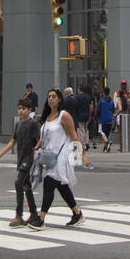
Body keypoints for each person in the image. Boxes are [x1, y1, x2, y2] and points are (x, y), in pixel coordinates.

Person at [28, 88, 90, 229]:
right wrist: (37, 148)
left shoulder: (64, 115)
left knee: (50, 182)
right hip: (50, 156)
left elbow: (74, 136)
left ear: (60, 99)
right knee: (61, 186)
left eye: (54, 96)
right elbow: (44, 138)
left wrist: (82, 155)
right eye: (49, 96)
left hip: (62, 156)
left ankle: (41, 219)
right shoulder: (48, 117)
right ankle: (77, 214)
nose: (50, 99)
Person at [0, 97, 40, 226]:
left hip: (29, 158)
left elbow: (40, 139)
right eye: (19, 108)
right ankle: (34, 213)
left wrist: (36, 148)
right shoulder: (18, 124)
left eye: (23, 109)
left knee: (19, 183)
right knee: (26, 186)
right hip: (20, 158)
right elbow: (12, 141)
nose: (21, 111)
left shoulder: (33, 123)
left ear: (29, 110)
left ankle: (18, 215)